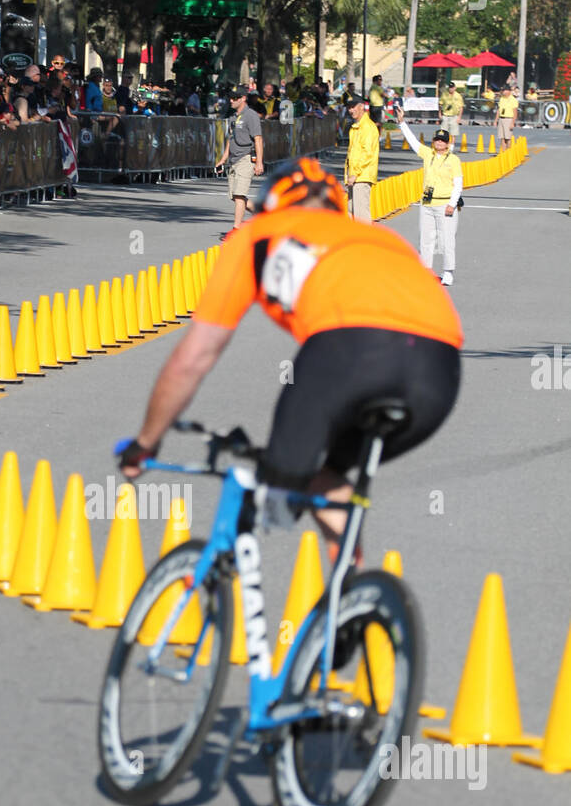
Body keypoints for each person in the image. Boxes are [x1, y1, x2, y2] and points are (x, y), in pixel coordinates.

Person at [117, 157, 462, 565]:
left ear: (271, 203)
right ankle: (353, 598)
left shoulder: (259, 235)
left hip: (351, 349)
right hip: (440, 368)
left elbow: (193, 358)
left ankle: (261, 543)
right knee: (325, 475)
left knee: (284, 478)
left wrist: (146, 442)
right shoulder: (381, 239)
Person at [395, 106, 463, 287]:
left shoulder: (453, 160)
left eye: (443, 141)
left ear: (448, 143)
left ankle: (448, 272)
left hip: (445, 204)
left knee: (447, 239)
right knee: (426, 239)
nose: (439, 143)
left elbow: (458, 184)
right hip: (427, 203)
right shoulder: (428, 154)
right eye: (437, 140)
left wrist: (452, 204)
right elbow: (413, 142)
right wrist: (402, 123)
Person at [217, 84, 264, 231]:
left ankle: (236, 229)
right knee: (235, 196)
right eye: (230, 98)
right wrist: (223, 159)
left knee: (239, 195)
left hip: (246, 157)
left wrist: (259, 163)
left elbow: (258, 139)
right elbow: (230, 139)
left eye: (235, 98)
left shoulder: (251, 116)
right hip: (234, 159)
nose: (231, 100)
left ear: (243, 98)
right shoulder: (233, 116)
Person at [344, 94, 379, 223]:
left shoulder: (368, 127)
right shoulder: (355, 127)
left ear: (362, 107)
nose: (351, 110)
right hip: (354, 176)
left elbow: (367, 153)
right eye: (349, 107)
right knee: (351, 214)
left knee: (361, 217)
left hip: (361, 176)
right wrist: (348, 175)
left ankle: (365, 242)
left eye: (353, 107)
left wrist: (355, 174)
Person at [438, 80, 464, 150]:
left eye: (452, 87)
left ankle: (451, 148)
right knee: (443, 132)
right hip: (446, 115)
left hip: (454, 116)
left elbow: (461, 107)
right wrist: (440, 114)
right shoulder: (444, 94)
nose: (451, 89)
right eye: (450, 87)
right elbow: (440, 104)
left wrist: (459, 117)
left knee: (453, 133)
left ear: (455, 88)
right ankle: (443, 147)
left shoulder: (458, 96)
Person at [494, 85, 518, 152]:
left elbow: (515, 112)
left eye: (504, 90)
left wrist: (512, 123)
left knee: (508, 138)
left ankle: (508, 152)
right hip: (501, 119)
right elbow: (499, 110)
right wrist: (496, 120)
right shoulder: (502, 98)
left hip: (509, 119)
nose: (503, 92)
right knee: (502, 137)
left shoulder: (513, 100)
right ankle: (503, 152)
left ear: (508, 91)